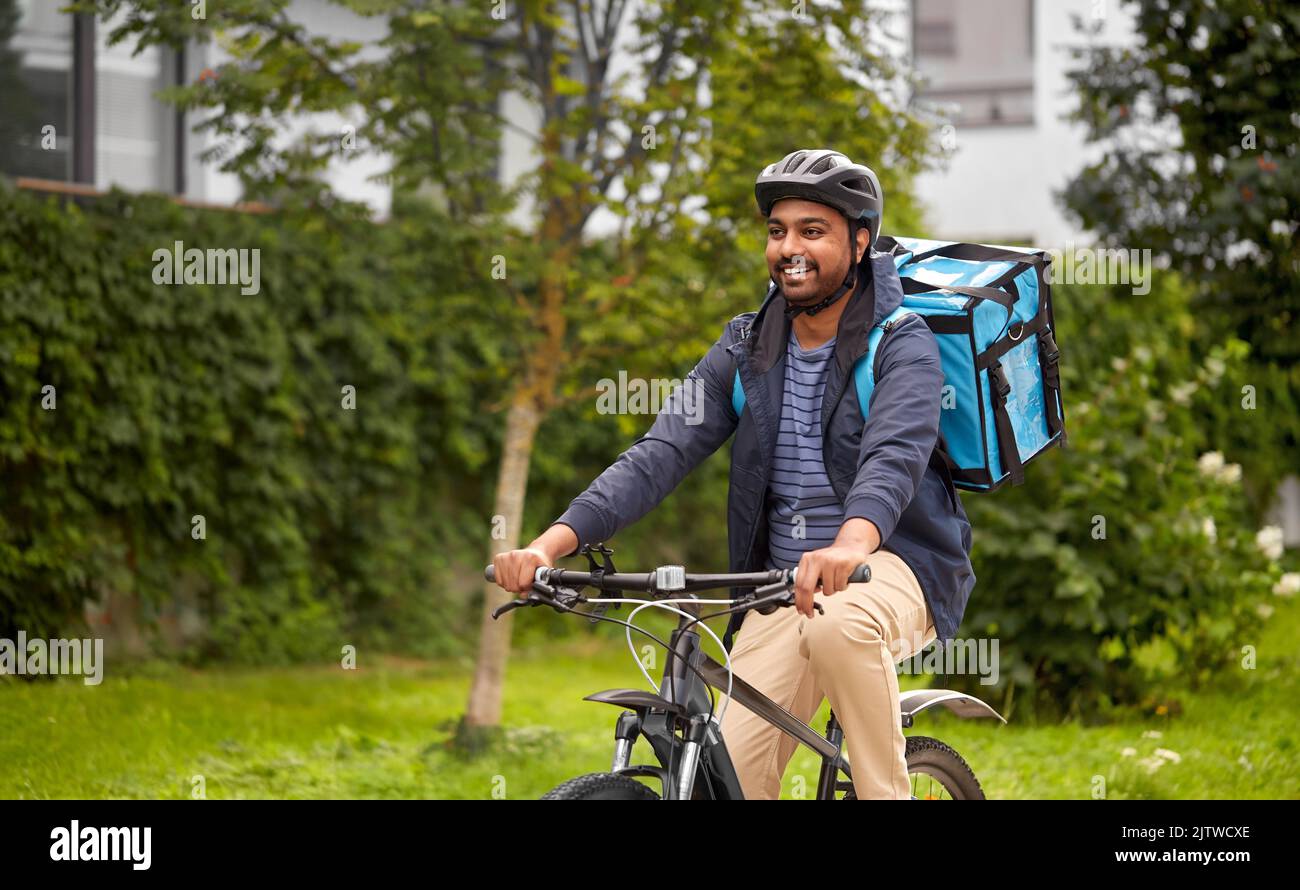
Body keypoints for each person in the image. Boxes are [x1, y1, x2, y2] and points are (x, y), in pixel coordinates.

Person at [491, 148, 975, 800]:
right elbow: (658, 454)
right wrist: (550, 544)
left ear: (859, 242)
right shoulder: (746, 347)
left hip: (890, 563)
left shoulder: (901, 341)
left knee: (840, 624)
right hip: (776, 586)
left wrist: (850, 543)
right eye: (778, 231)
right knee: (728, 784)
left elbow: (893, 456)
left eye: (812, 230)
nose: (789, 247)